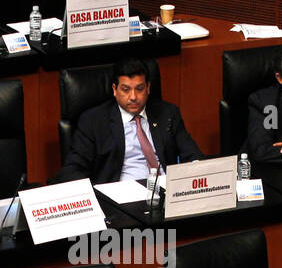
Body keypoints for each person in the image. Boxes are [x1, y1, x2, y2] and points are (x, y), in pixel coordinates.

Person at [56, 60, 205, 183]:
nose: (133, 97)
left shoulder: (168, 113)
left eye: (139, 89)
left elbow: (192, 155)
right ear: (115, 90)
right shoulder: (93, 121)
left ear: (148, 88)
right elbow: (73, 169)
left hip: (166, 191)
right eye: (126, 89)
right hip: (121, 197)